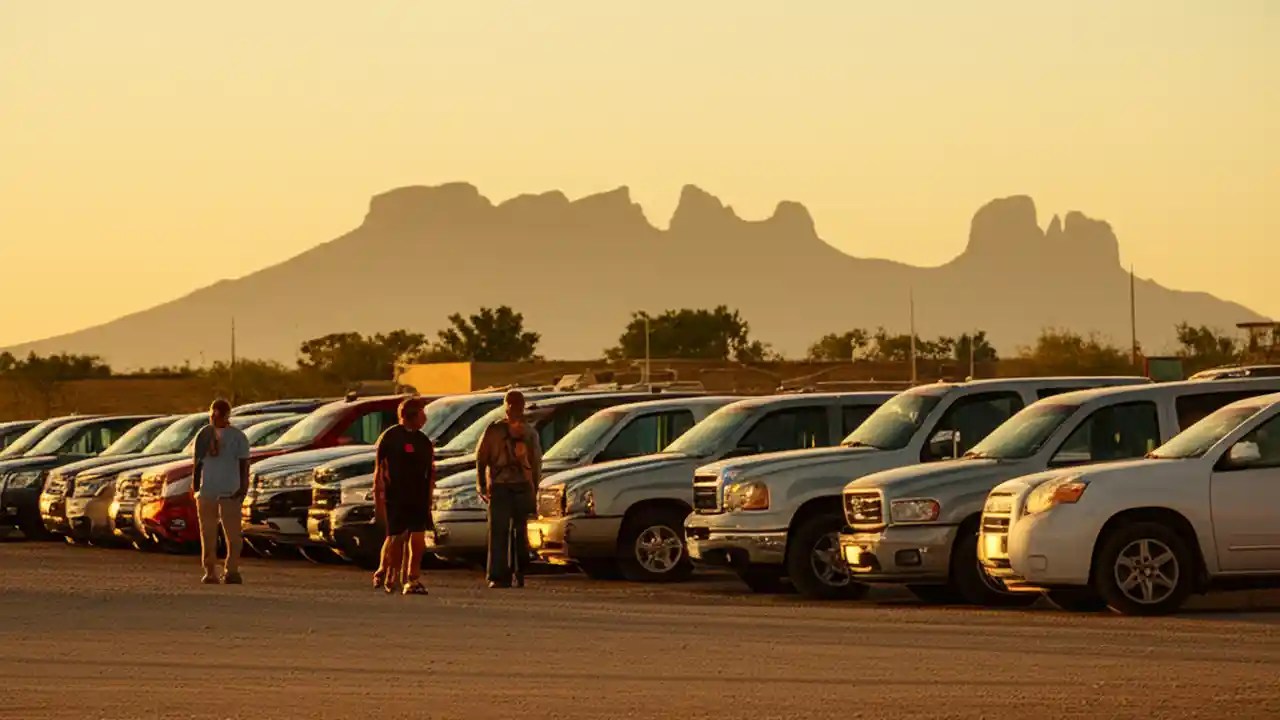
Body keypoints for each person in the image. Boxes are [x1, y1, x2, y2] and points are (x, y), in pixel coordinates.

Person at [476, 390, 542, 589]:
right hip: (515, 486)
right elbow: (536, 463)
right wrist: (534, 487)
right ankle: (517, 572)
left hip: (502, 486)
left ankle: (499, 576)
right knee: (515, 532)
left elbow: (481, 458)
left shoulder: (495, 430)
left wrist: (481, 483)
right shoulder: (528, 432)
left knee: (502, 532)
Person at [372, 396, 435, 596]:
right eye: (422, 413)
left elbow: (430, 472)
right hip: (395, 495)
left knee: (417, 539)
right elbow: (378, 469)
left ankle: (412, 578)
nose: (425, 418)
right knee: (396, 537)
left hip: (418, 496)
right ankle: (388, 571)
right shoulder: (390, 437)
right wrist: (378, 496)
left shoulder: (423, 441)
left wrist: (429, 497)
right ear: (411, 415)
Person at [191, 398, 251, 585]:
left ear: (226, 415)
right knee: (207, 534)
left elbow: (244, 464)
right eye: (212, 414)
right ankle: (210, 571)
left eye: (218, 414)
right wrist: (195, 487)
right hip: (207, 490)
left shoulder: (238, 437)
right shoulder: (204, 434)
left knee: (233, 534)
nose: (214, 418)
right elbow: (197, 463)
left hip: (229, 490)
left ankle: (231, 569)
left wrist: (243, 487)